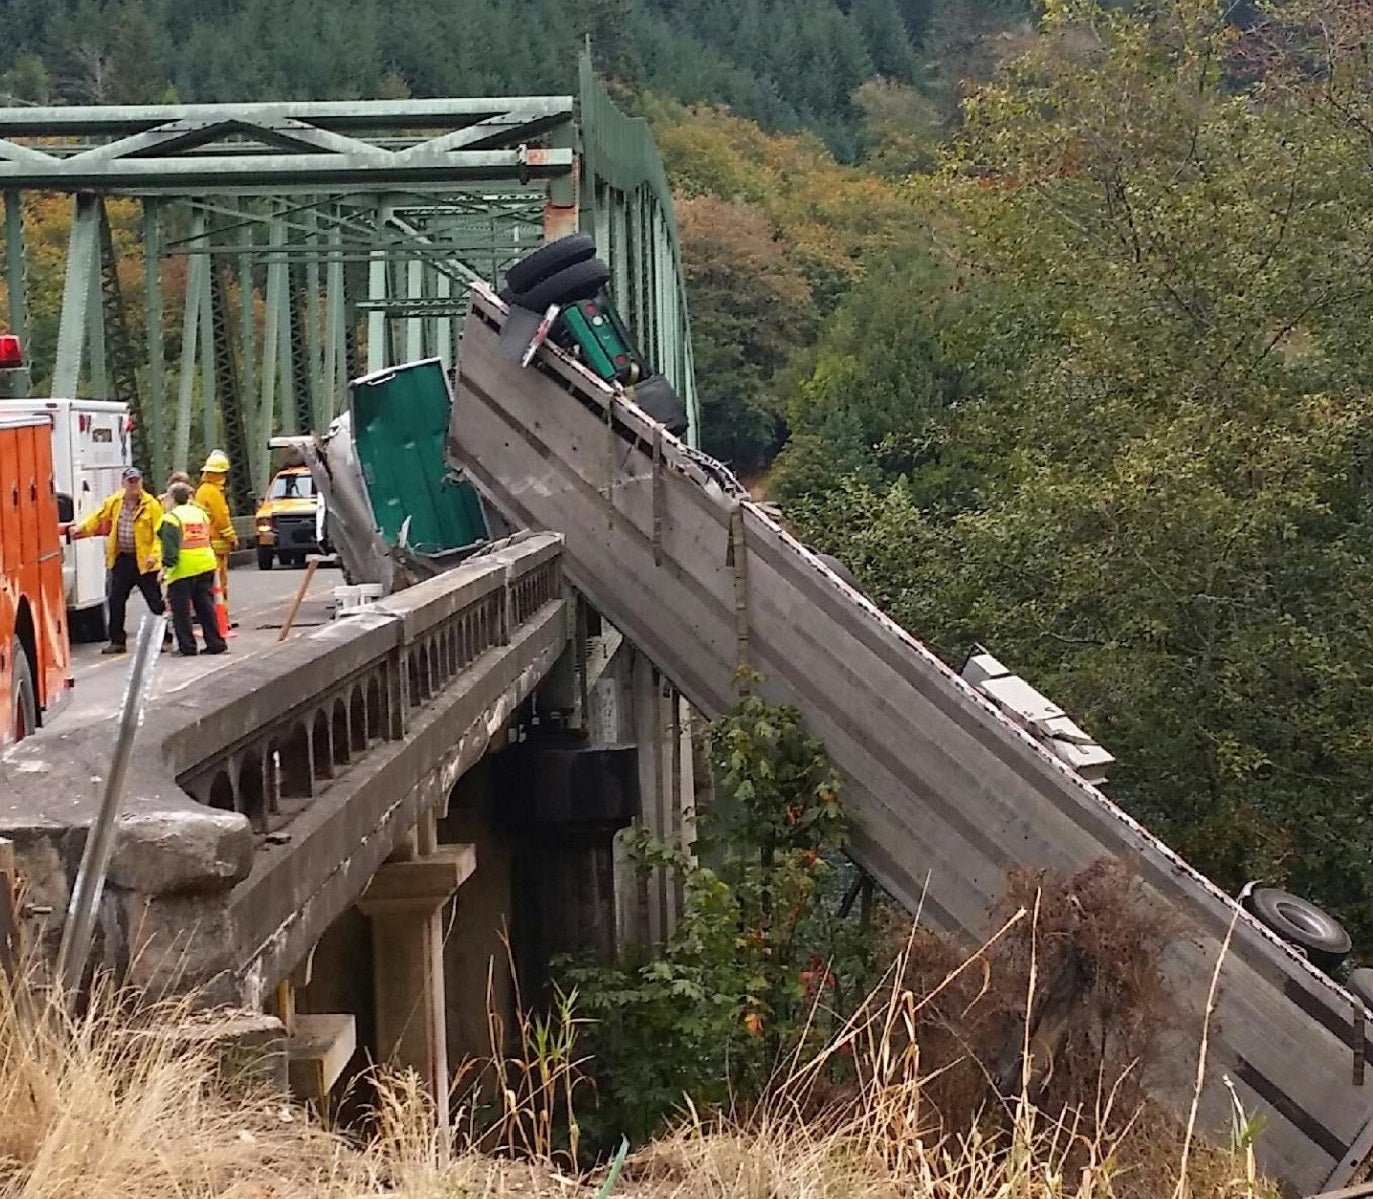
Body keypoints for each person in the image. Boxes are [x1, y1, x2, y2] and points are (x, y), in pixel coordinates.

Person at [67, 466, 166, 654]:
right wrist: (81, 528)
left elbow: (158, 533)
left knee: (154, 600)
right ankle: (117, 641)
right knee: (116, 599)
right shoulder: (115, 502)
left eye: (137, 481)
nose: (134, 485)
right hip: (122, 558)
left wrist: (155, 556)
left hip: (144, 560)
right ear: (123, 483)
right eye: (130, 482)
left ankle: (164, 637)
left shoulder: (151, 505)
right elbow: (98, 516)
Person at [159, 482, 227, 657]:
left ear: (172, 498)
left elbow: (170, 550)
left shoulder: (171, 518)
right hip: (205, 565)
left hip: (183, 569)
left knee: (181, 611)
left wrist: (165, 569)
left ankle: (187, 646)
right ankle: (215, 642)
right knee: (205, 607)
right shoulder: (200, 514)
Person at [195, 449, 239, 624]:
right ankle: (220, 619)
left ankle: (217, 618)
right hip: (216, 546)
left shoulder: (202, 491)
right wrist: (232, 538)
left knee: (211, 584)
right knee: (218, 584)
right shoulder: (213, 493)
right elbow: (221, 519)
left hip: (206, 545)